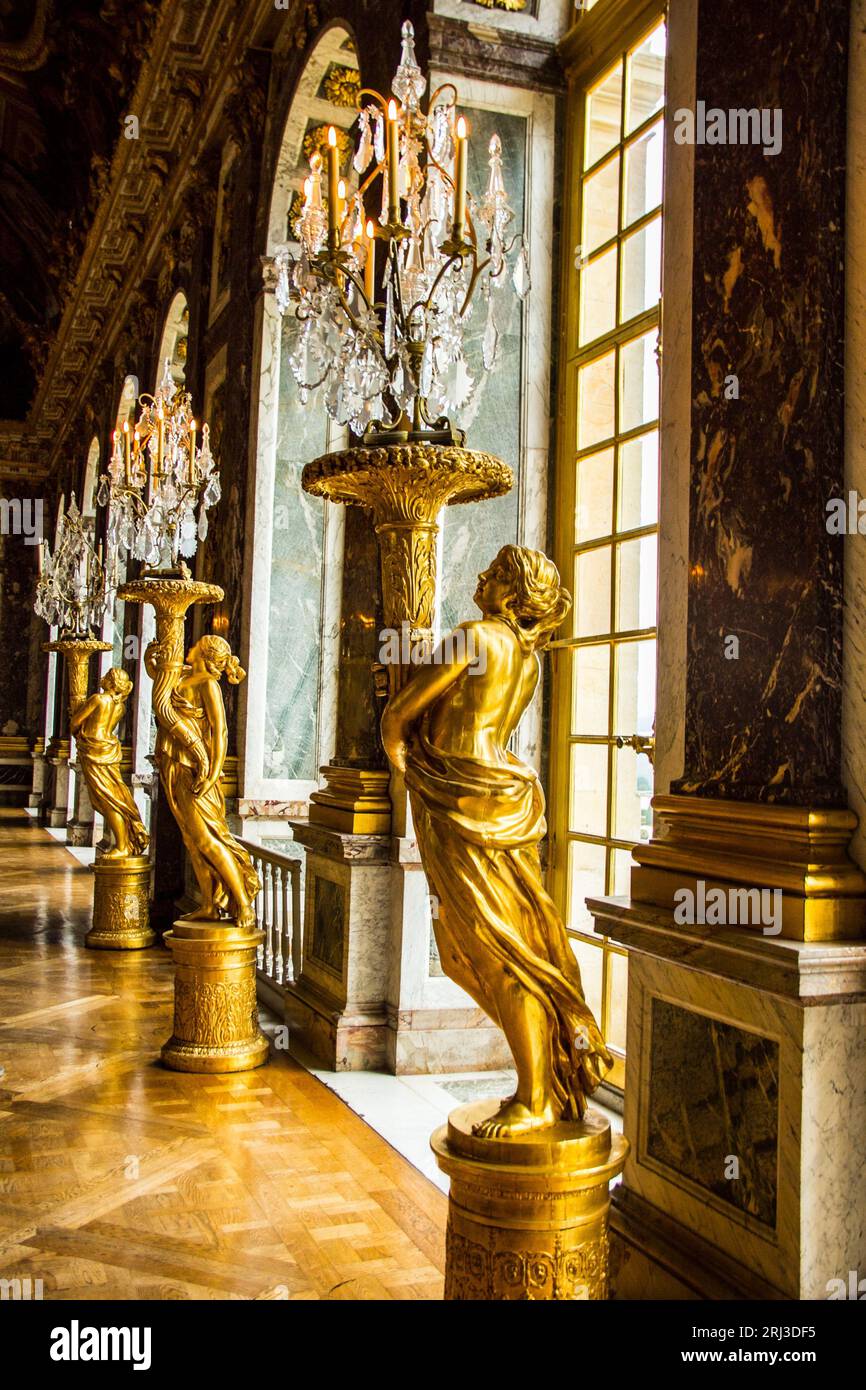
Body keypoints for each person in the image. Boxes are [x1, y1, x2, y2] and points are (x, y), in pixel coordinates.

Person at [381, 544, 612, 1138]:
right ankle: (540, 1065)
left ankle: (534, 1096)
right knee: (470, 950)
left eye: (493, 573)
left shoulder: (473, 637)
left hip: (462, 799)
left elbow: (401, 713)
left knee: (492, 950)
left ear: (508, 592)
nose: (480, 577)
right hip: (499, 795)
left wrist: (403, 760)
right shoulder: (529, 660)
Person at [146, 633, 259, 930]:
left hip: (196, 769)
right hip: (174, 763)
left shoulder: (208, 684)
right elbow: (160, 684)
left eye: (197, 645)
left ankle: (243, 904)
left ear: (205, 655)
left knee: (208, 839)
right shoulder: (182, 675)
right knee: (191, 840)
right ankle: (209, 904)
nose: (191, 646)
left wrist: (212, 774)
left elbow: (220, 732)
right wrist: (150, 659)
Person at [70, 668, 148, 859]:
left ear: (111, 682)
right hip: (109, 750)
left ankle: (122, 846)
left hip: (93, 750)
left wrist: (79, 732)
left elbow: (75, 723)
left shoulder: (98, 699)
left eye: (106, 676)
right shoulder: (119, 707)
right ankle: (123, 843)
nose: (102, 678)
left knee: (107, 800)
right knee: (112, 798)